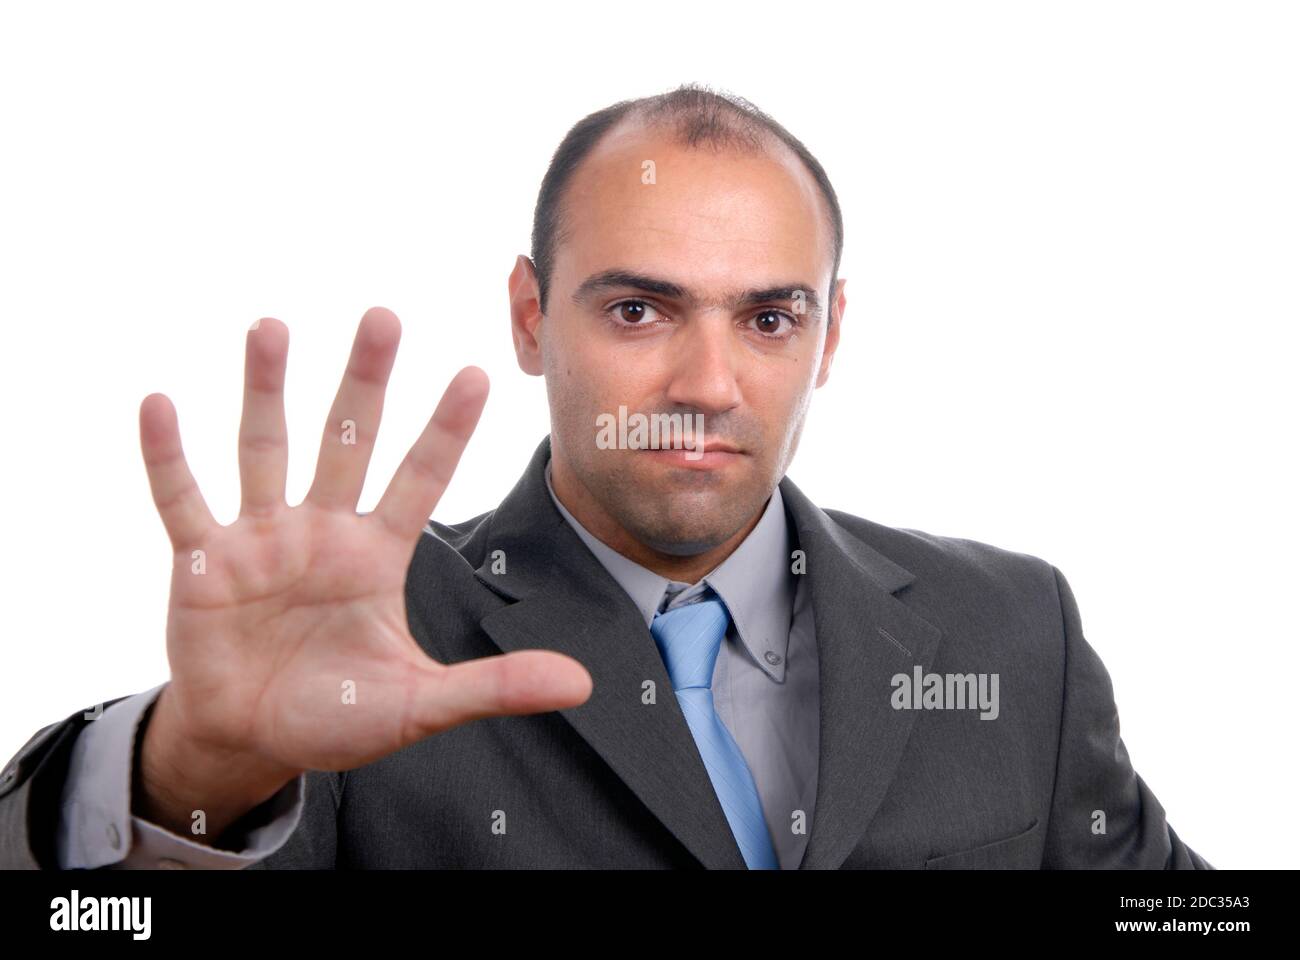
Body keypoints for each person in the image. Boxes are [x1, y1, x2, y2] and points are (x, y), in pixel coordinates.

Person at [0, 83, 1211, 870]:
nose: (709, 382)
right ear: (529, 318)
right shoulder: (365, 649)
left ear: (830, 338)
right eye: (638, 309)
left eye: (769, 318)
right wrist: (194, 775)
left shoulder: (1011, 631)